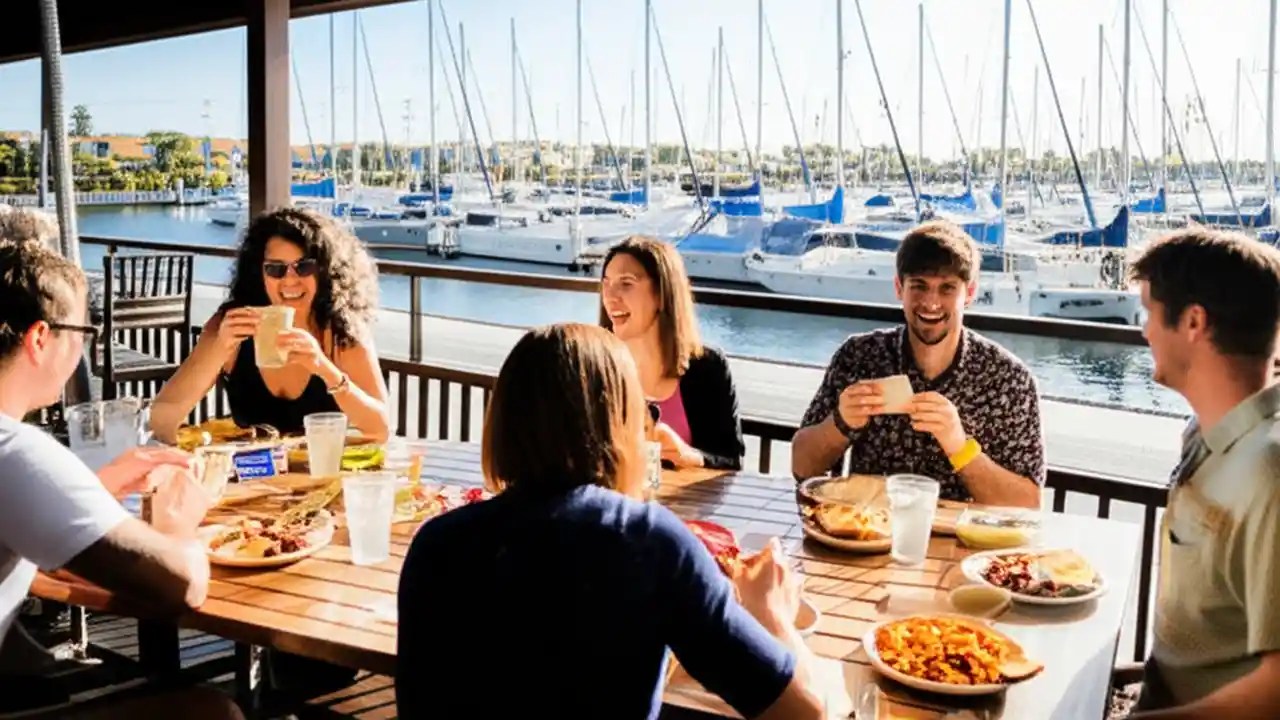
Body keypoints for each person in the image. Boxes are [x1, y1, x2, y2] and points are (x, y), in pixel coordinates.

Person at [397, 323, 823, 720]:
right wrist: (773, 612)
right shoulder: (648, 541)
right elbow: (803, 711)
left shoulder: (436, 543)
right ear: (620, 423)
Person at [0, 231, 240, 719]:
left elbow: (23, 525)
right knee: (213, 713)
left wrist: (97, 487)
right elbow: (182, 584)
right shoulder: (14, 451)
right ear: (40, 338)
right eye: (83, 334)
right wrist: (179, 526)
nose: (82, 351)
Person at [1127, 230, 1280, 719]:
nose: (1145, 330)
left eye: (1149, 312)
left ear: (1193, 321)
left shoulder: (1268, 473)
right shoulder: (1203, 435)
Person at [790, 220, 1044, 507]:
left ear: (969, 293)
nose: (931, 302)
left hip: (963, 543)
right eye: (919, 286)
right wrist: (839, 422)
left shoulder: (1009, 380)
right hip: (864, 533)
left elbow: (1028, 505)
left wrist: (959, 447)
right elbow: (801, 466)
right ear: (899, 288)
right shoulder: (859, 357)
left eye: (947, 288)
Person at [151, 207, 389, 443]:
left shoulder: (339, 329)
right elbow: (160, 420)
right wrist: (219, 349)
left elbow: (381, 429)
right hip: (251, 475)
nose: (290, 279)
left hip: (328, 474)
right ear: (259, 274)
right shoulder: (231, 324)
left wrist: (325, 370)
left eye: (304, 266)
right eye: (276, 269)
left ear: (325, 273)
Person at [600, 236, 745, 470]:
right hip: (613, 505)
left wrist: (689, 456)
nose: (610, 296)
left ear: (662, 294)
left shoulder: (706, 366)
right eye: (606, 283)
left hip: (684, 505)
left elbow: (732, 461)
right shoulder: (595, 365)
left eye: (626, 284)